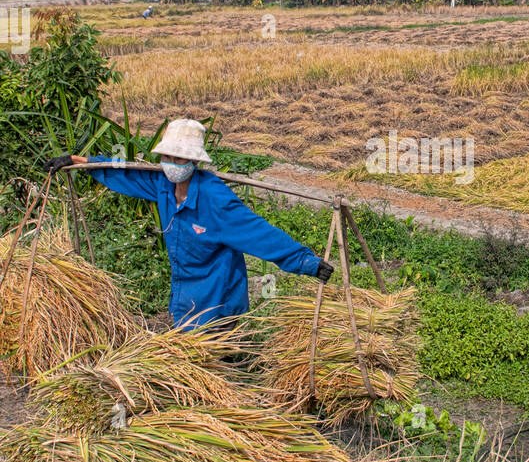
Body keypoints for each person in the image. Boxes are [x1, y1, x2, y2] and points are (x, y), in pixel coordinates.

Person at [45, 118, 334, 329]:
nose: (172, 163)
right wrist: (77, 160)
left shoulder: (214, 199)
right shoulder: (161, 184)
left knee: (213, 366)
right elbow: (123, 174)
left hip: (218, 296)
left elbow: (259, 234)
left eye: (179, 158)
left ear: (193, 161)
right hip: (185, 291)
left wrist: (306, 263)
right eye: (168, 157)